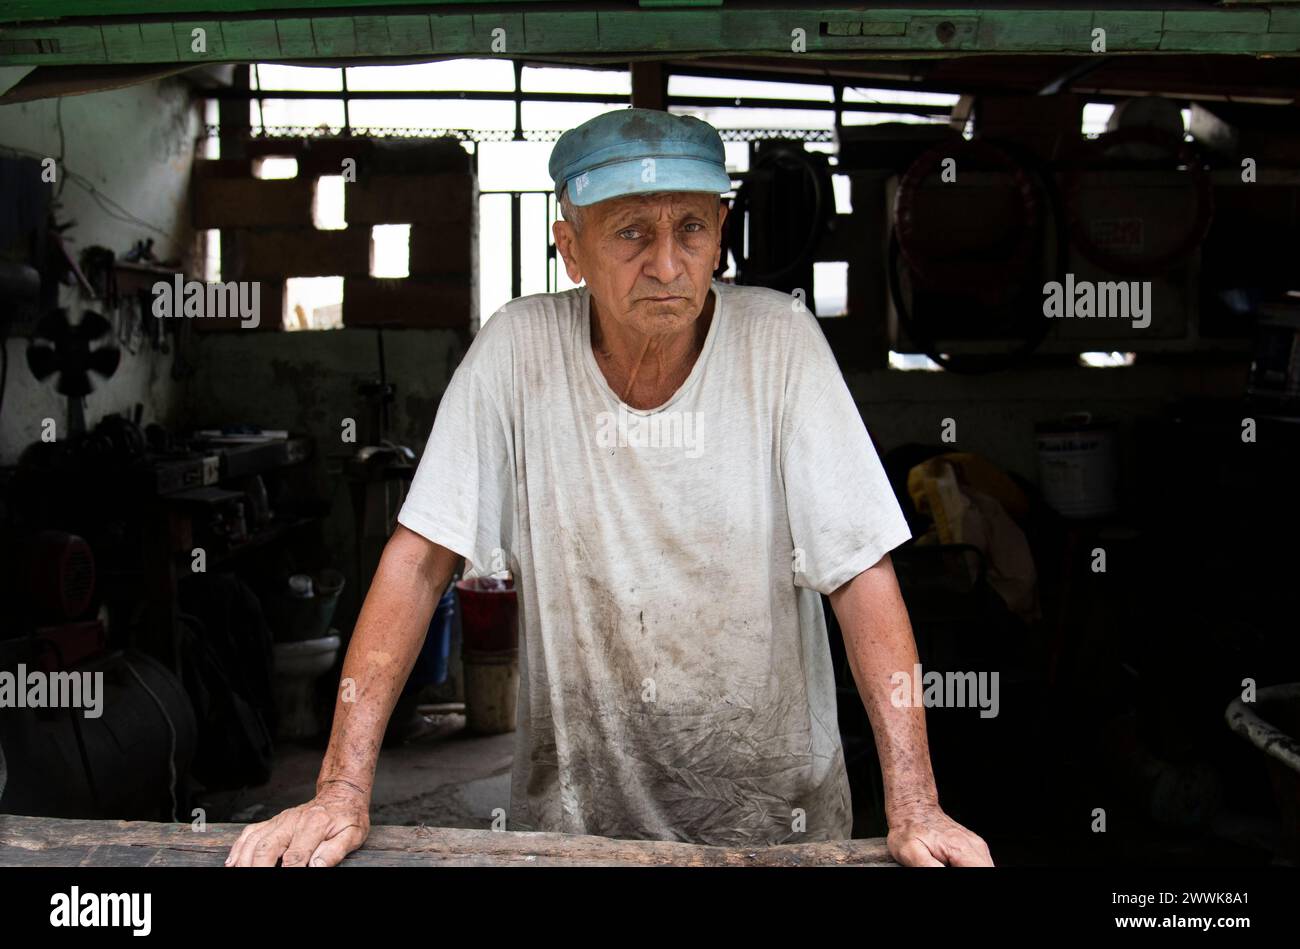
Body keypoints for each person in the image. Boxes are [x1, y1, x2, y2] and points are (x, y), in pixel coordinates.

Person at [227, 107, 993, 867]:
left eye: (691, 228)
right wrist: (339, 789)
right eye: (632, 233)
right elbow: (419, 559)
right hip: (575, 832)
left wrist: (916, 805)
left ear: (720, 233)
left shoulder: (780, 343)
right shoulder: (517, 352)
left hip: (773, 829)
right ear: (571, 246)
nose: (667, 263)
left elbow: (859, 571)